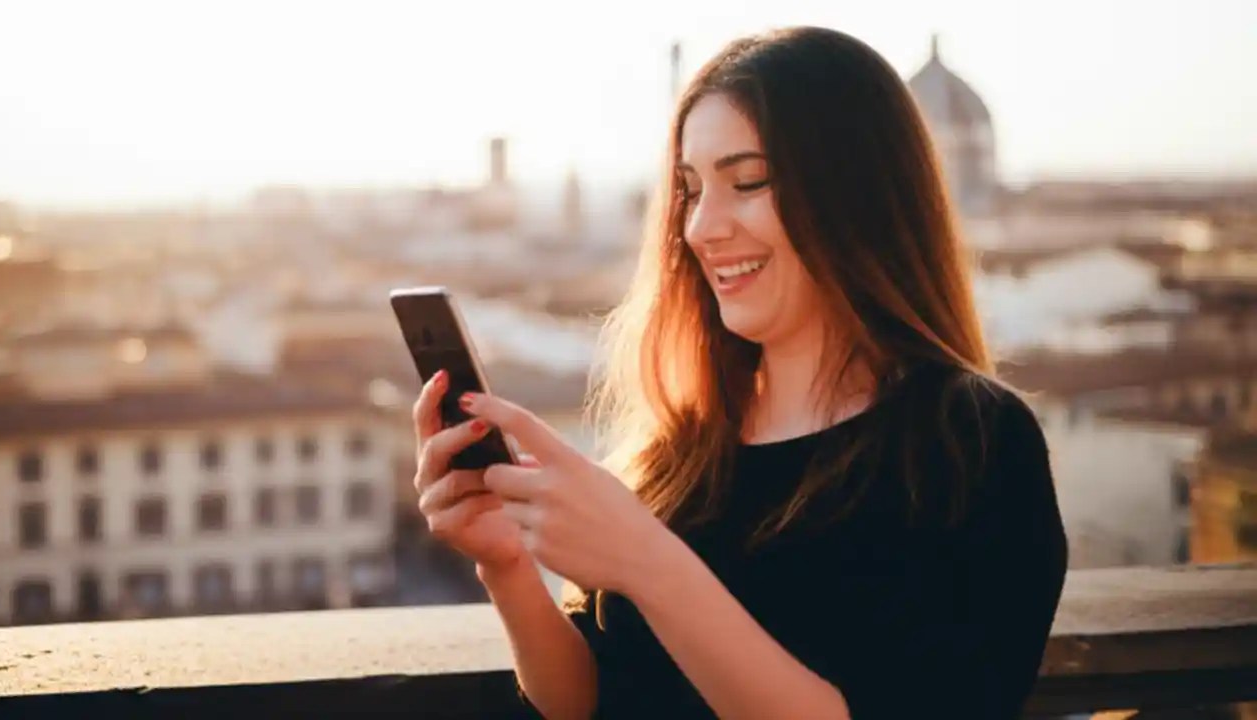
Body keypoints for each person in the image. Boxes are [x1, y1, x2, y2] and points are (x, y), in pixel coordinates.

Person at [410, 25, 1068, 720]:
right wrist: (506, 565)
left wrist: (648, 562)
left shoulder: (973, 444)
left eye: (748, 181)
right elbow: (589, 703)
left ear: (860, 195)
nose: (700, 227)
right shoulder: (690, 442)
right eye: (690, 190)